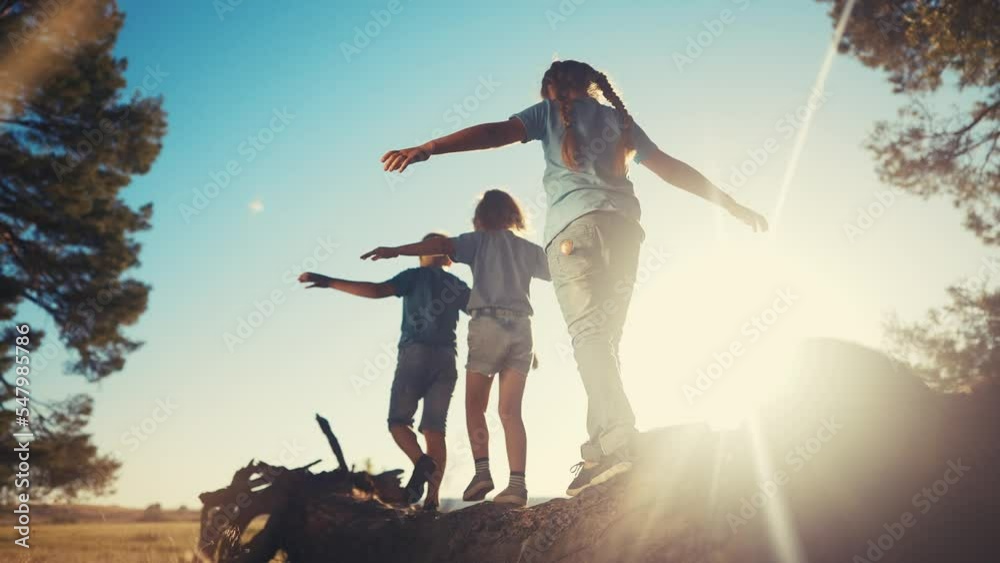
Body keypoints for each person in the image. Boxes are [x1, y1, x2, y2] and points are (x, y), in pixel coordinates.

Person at [378, 60, 768, 496]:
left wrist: (429, 147)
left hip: (574, 232)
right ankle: (599, 448)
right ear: (592, 86)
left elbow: (492, 134)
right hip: (625, 234)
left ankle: (619, 440)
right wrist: (730, 203)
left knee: (589, 338)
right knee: (602, 343)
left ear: (549, 90)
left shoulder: (547, 114)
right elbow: (671, 167)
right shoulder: (619, 120)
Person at [362, 189, 551, 507]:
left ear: (480, 218)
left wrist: (396, 250)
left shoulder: (477, 242)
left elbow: (439, 246)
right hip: (522, 329)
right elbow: (558, 269)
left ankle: (483, 473)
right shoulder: (528, 250)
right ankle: (517, 485)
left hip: (488, 324)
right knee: (510, 412)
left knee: (475, 406)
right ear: (514, 216)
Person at [299, 233, 470, 510]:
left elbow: (376, 290)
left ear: (422, 254)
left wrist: (330, 282)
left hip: (415, 354)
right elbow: (485, 313)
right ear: (448, 258)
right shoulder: (457, 284)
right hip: (447, 359)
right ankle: (432, 500)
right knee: (434, 430)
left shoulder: (414, 276)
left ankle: (421, 463)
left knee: (398, 423)